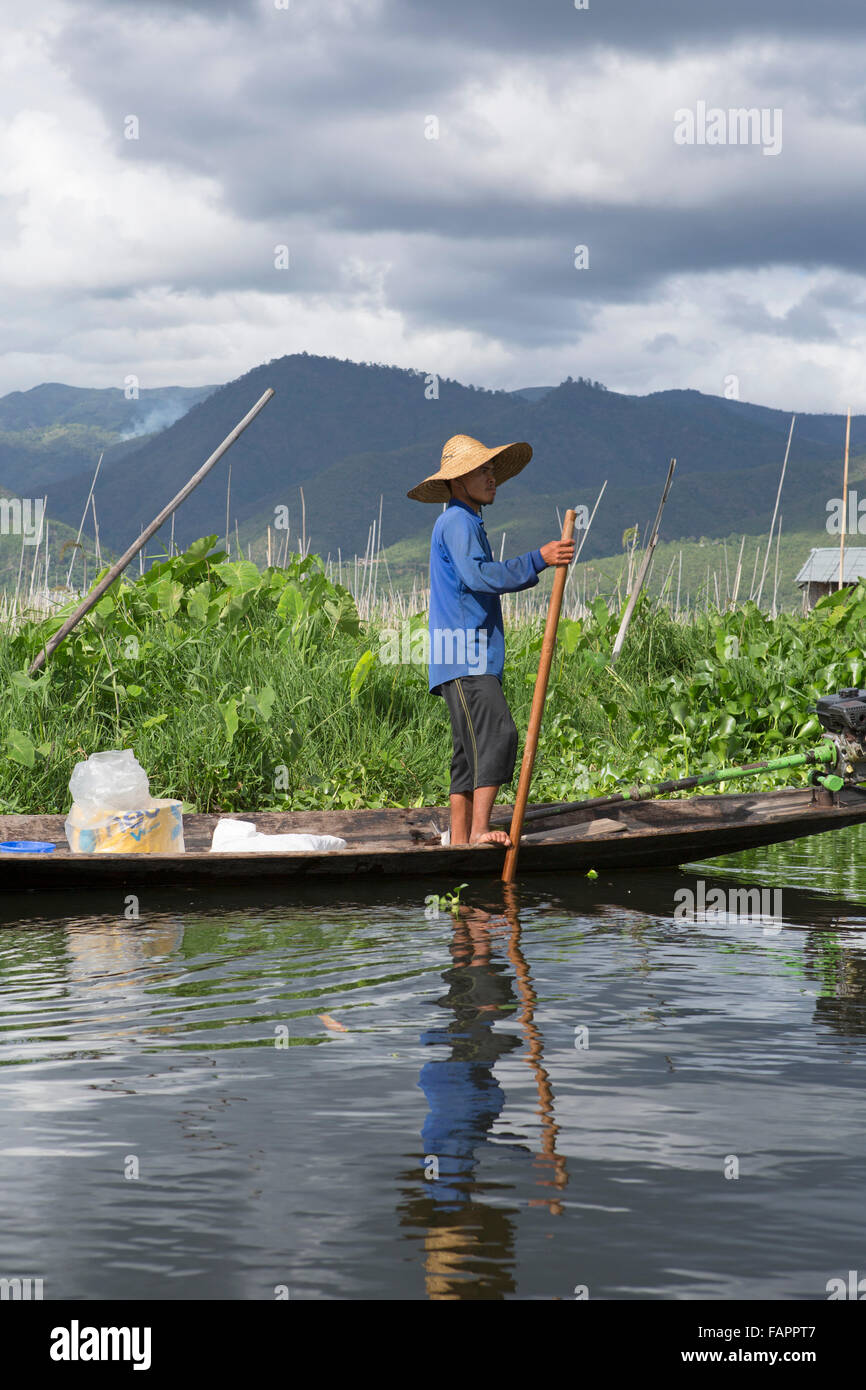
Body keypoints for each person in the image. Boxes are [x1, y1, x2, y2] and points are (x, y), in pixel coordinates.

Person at [407, 434, 575, 846]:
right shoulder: (457, 522)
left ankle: (461, 841)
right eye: (480, 470)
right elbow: (478, 576)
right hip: (466, 657)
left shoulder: (466, 521)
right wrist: (538, 558)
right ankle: (480, 830)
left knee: (468, 754)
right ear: (456, 481)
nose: (491, 477)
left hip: (464, 657)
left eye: (490, 469)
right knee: (499, 734)